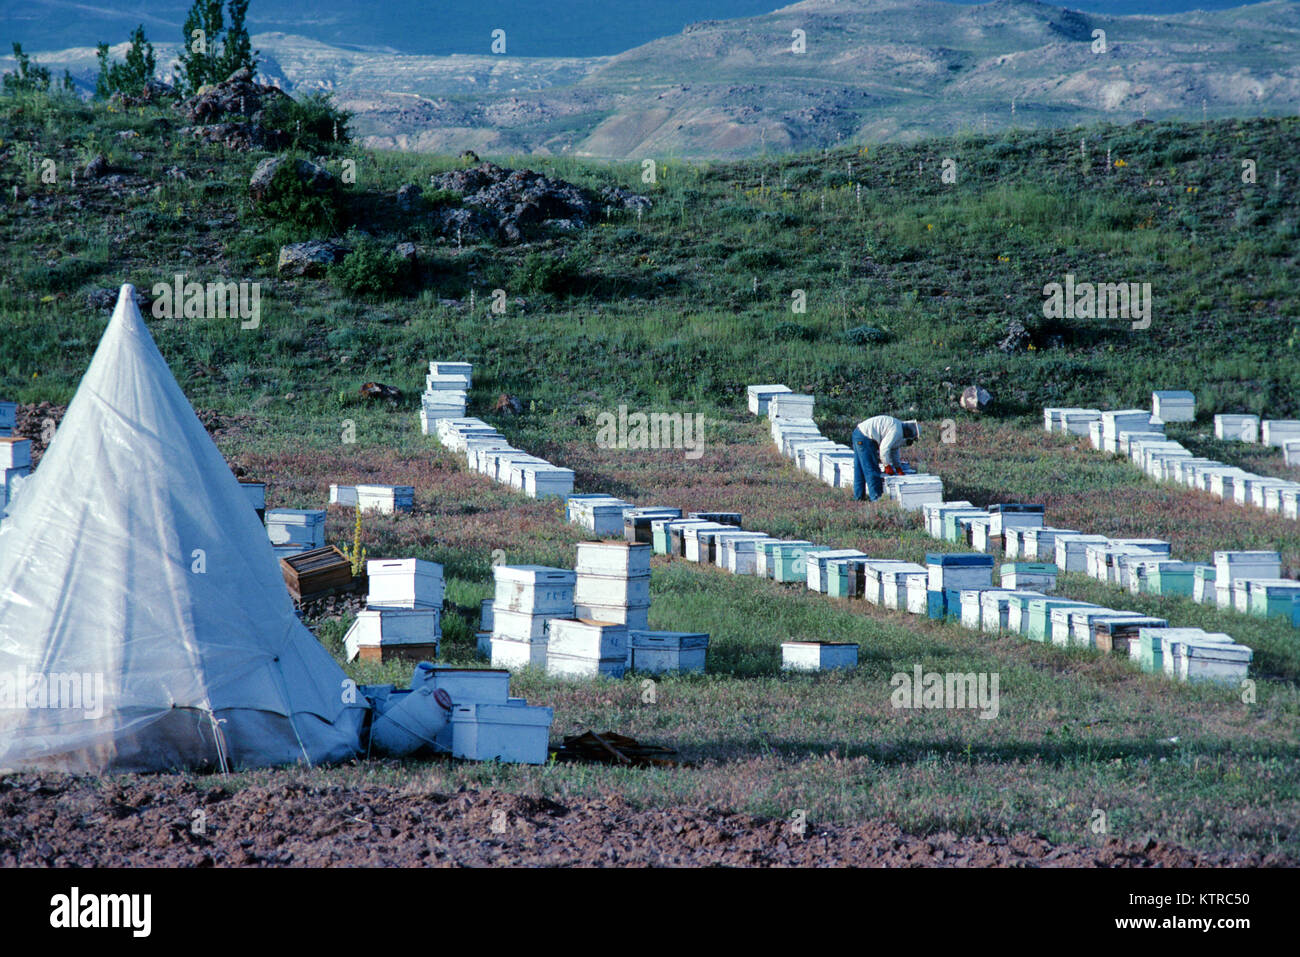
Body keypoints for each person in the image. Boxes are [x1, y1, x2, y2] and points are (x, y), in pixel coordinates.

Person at [852, 416, 920, 502]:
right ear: (910, 434)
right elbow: (884, 449)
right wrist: (887, 466)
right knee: (872, 469)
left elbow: (894, 450)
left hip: (858, 433)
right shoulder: (897, 431)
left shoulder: (898, 428)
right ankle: (876, 499)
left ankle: (858, 498)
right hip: (866, 437)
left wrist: (898, 467)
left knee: (860, 470)